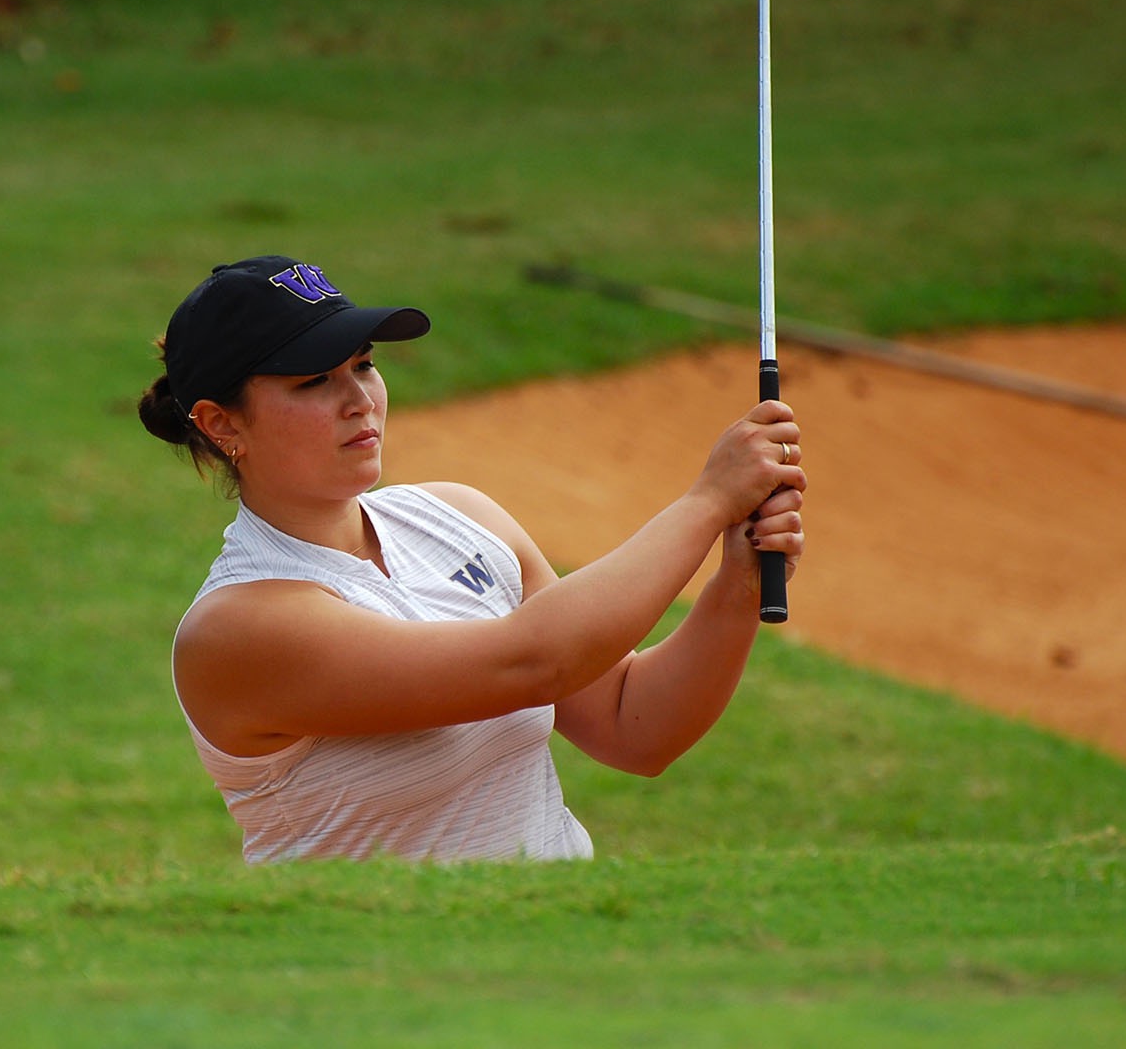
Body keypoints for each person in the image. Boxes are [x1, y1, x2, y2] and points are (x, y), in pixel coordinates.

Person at [137, 256, 805, 863]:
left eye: (364, 365)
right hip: (390, 981)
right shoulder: (238, 628)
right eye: (315, 380)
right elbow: (534, 661)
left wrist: (738, 582)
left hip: (569, 957)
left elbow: (635, 726)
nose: (359, 400)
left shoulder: (458, 516)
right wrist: (707, 502)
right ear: (222, 424)